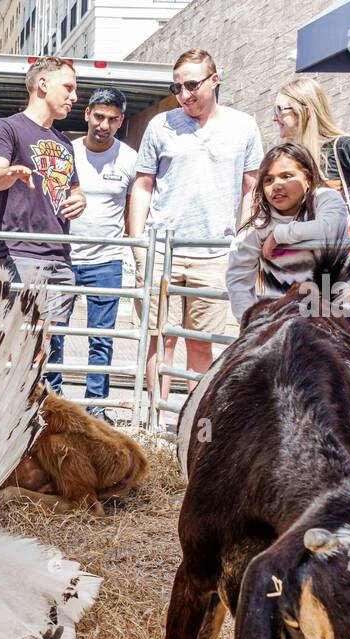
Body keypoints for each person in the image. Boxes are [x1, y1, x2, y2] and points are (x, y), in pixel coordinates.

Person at [128, 49, 263, 399]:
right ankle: (156, 419)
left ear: (214, 80)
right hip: (162, 248)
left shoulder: (243, 126)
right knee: (161, 337)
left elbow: (252, 187)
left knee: (202, 343)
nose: (184, 94)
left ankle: (194, 425)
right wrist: (138, 242)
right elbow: (143, 185)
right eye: (177, 88)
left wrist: (245, 237)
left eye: (191, 84)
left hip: (215, 252)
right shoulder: (161, 125)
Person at [0, 56, 86, 392]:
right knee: (15, 340)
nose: (74, 96)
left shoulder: (64, 141)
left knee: (43, 343)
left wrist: (80, 199)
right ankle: (4, 411)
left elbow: (74, 189)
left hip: (58, 252)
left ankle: (27, 408)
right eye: (68, 87)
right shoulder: (8, 127)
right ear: (43, 84)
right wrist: (11, 173)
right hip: (19, 250)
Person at [69, 88, 137, 418]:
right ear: (86, 114)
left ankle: (95, 407)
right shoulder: (67, 152)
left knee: (101, 339)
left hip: (106, 261)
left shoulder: (129, 159)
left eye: (112, 119)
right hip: (64, 257)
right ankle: (53, 401)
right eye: (98, 116)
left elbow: (138, 204)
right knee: (54, 334)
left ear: (121, 121)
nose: (104, 125)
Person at [225, 143, 350, 323]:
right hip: (284, 324)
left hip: (336, 320)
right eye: (268, 180)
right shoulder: (259, 225)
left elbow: (330, 228)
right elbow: (238, 277)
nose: (276, 185)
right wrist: (249, 322)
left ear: (307, 178)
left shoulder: (325, 199)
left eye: (286, 176)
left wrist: (279, 235)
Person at [273, 77, 350, 222]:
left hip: (337, 243)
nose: (274, 119)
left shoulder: (342, 148)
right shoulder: (288, 157)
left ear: (304, 111)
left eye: (278, 110)